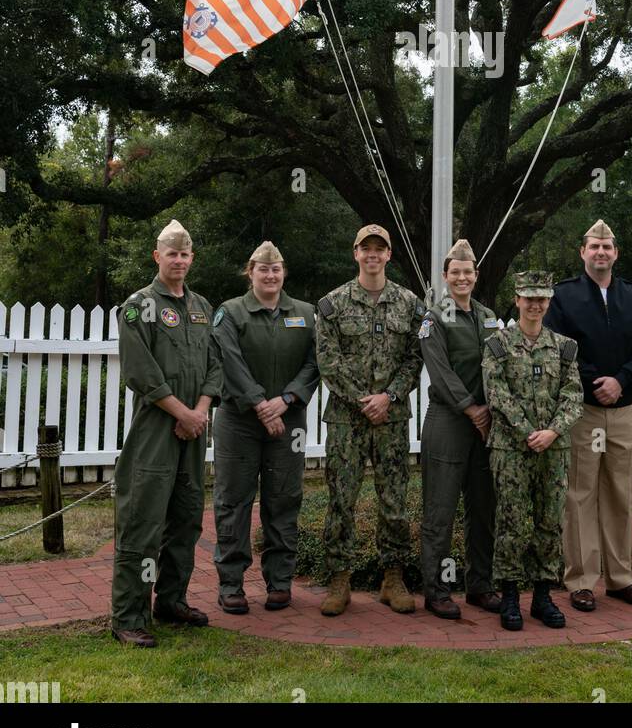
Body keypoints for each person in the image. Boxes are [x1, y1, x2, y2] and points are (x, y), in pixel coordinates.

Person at [110, 219, 222, 647]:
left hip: (193, 429)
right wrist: (180, 411)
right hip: (157, 429)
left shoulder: (201, 307)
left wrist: (199, 412)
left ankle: (170, 600)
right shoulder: (139, 305)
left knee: (186, 519)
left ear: (192, 258)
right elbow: (140, 370)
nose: (178, 260)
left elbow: (216, 365)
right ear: (156, 256)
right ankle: (128, 615)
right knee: (144, 520)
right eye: (171, 253)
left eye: (185, 253)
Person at [544, 219, 632, 611]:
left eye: (607, 247)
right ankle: (581, 580)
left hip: (625, 412)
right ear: (583, 252)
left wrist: (622, 381)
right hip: (585, 412)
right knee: (580, 495)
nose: (601, 253)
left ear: (616, 253)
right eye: (594, 246)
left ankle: (621, 577)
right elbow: (560, 349)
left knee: (621, 494)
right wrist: (598, 382)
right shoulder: (563, 297)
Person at [316, 224, 424, 617]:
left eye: (380, 248)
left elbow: (416, 358)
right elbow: (329, 361)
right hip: (347, 419)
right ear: (356, 253)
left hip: (392, 418)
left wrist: (389, 396)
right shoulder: (332, 304)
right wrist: (365, 400)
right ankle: (339, 578)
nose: (373, 254)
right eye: (367, 248)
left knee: (393, 500)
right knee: (341, 499)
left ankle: (392, 577)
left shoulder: (411, 305)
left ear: (389, 255)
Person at [211, 241, 319, 614]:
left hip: (288, 422)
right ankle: (231, 585)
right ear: (250, 272)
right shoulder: (231, 313)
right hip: (238, 421)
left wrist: (285, 400)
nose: (270, 275)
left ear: (284, 272)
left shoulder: (305, 314)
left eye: (276, 269)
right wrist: (260, 404)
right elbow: (230, 362)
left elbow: (315, 364)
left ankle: (280, 582)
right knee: (233, 501)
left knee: (284, 500)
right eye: (263, 269)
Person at [482, 272, 583, 631]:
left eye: (541, 298)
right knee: (510, 521)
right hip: (511, 449)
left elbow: (574, 395)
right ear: (517, 298)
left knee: (549, 522)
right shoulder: (498, 344)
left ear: (549, 300)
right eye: (529, 297)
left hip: (553, 449)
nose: (535, 304)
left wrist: (552, 432)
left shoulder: (564, 347)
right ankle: (510, 595)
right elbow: (497, 395)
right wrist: (529, 433)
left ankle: (542, 595)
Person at [418, 238, 501, 619]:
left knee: (483, 509)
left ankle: (480, 585)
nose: (462, 277)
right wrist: (471, 408)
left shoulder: (488, 317)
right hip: (449, 423)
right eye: (456, 272)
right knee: (440, 510)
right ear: (446, 276)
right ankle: (436, 591)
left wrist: (490, 412)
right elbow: (441, 371)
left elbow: (501, 366)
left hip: (485, 426)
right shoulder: (434, 318)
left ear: (476, 275)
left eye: (468, 272)